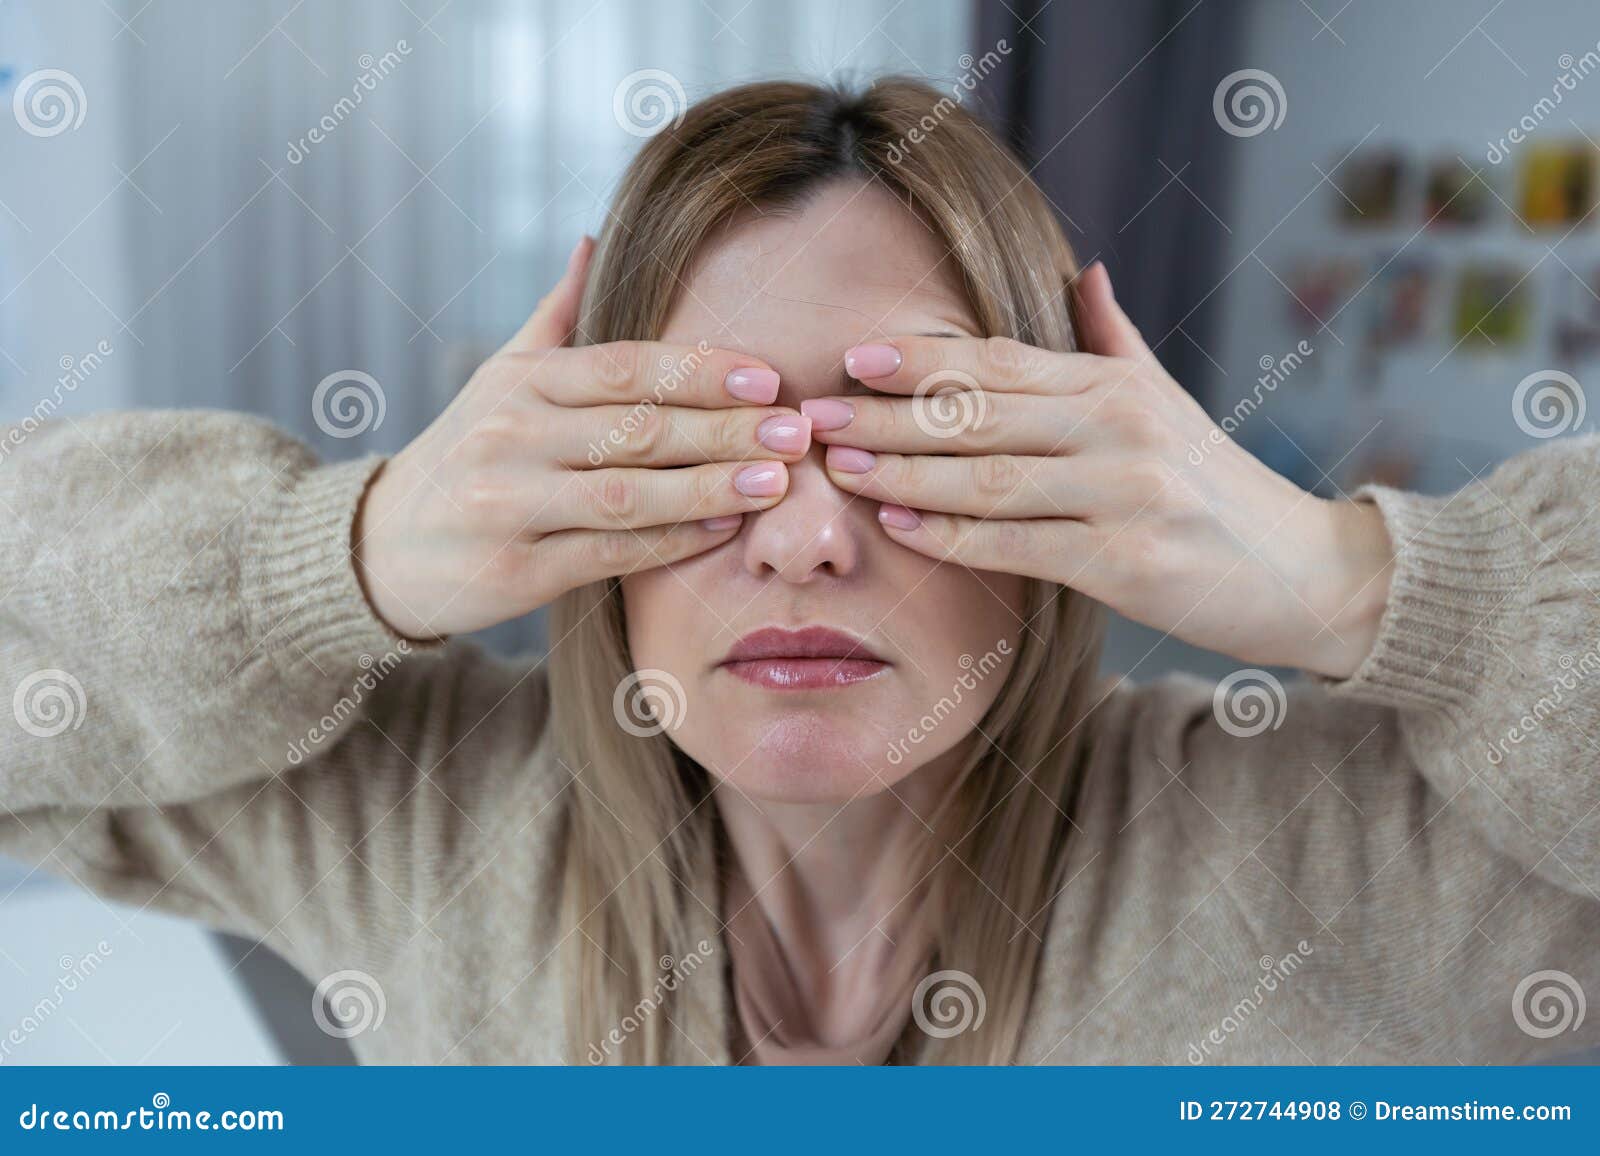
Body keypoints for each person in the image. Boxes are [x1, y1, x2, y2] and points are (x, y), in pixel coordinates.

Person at [3, 78, 1597, 1065]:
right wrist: (326, 561)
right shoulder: (415, 827)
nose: (807, 536)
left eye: (914, 435)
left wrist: (1372, 585)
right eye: (699, 446)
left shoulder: (1343, 864)